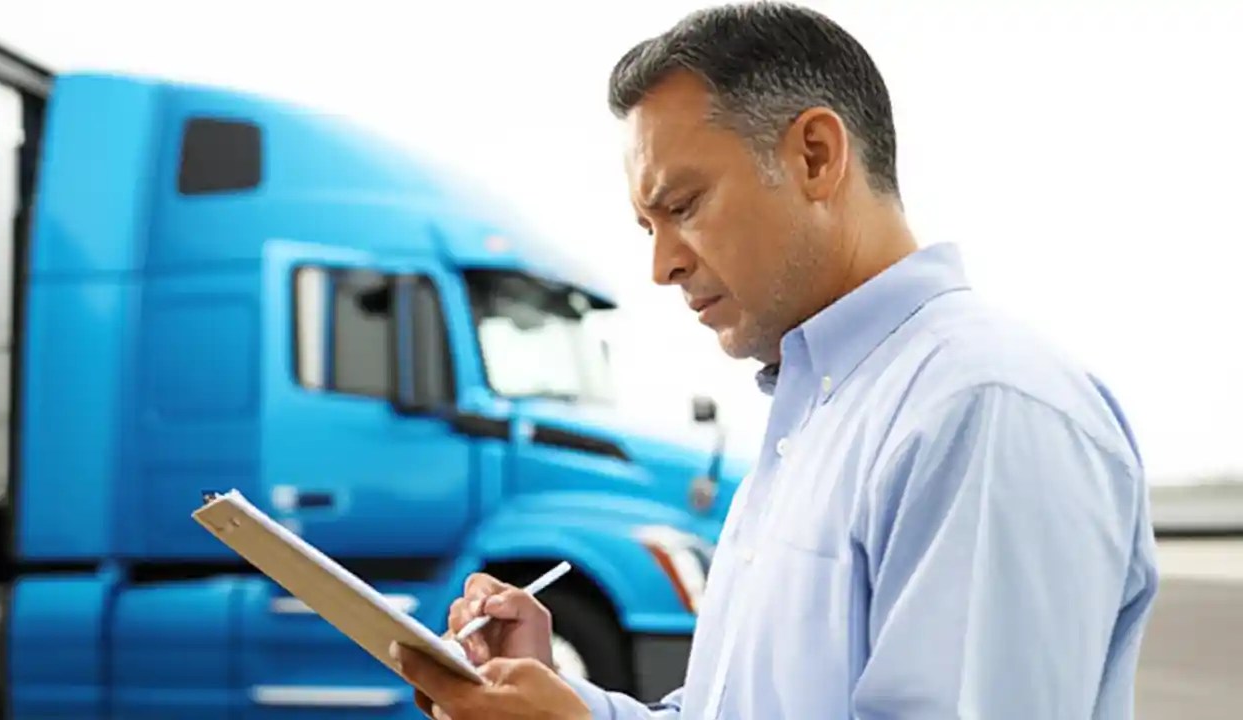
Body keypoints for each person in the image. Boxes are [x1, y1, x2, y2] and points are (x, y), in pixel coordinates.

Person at [388, 2, 1160, 718]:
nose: (662, 266)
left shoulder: (982, 407)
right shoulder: (823, 417)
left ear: (816, 156)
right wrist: (570, 705)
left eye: (683, 206)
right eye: (646, 226)